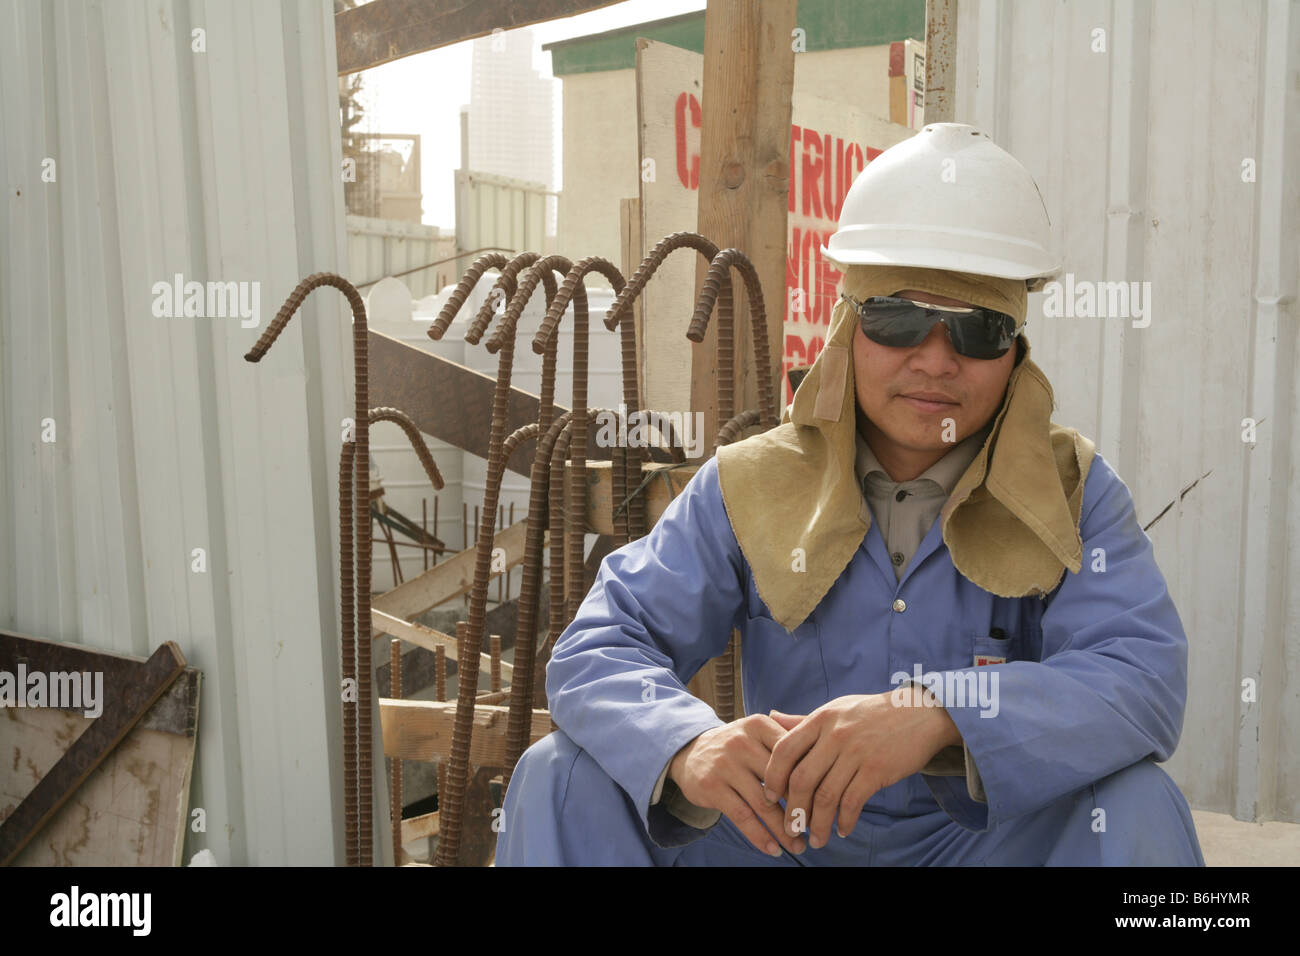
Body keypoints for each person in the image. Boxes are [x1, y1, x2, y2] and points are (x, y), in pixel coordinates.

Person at [495, 123, 1204, 866]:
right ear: (849, 328)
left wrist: (937, 712)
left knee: (1136, 803)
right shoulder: (751, 486)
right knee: (561, 777)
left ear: (1016, 350)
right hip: (781, 838)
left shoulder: (1075, 496)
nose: (936, 360)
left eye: (978, 330)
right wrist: (686, 742)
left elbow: (1142, 678)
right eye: (898, 319)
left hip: (981, 846)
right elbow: (599, 645)